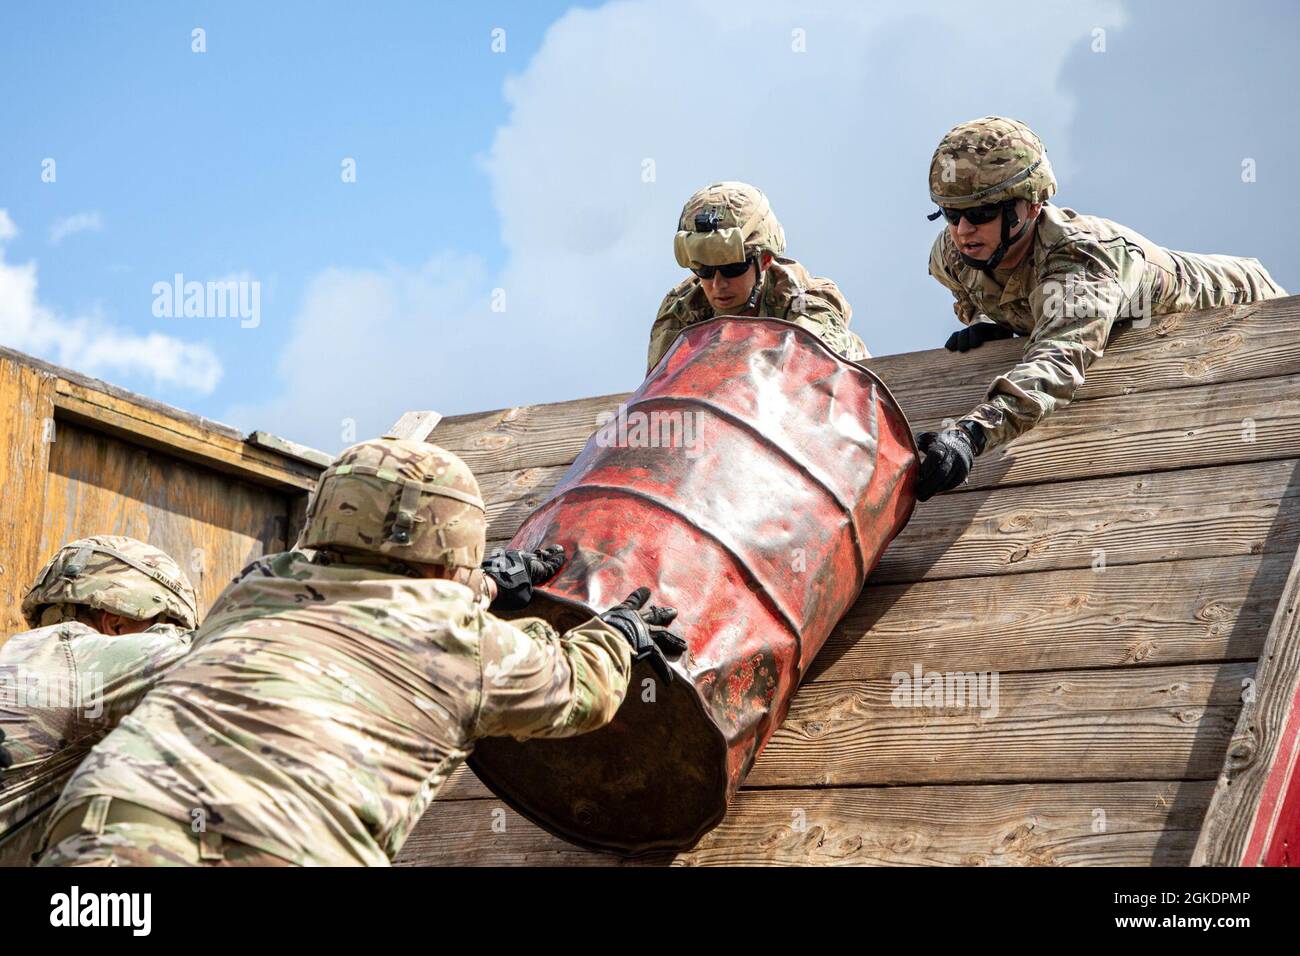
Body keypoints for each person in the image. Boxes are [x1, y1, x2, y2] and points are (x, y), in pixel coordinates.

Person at [39, 438, 683, 867]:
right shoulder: (465, 640)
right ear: (453, 543)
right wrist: (617, 635)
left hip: (97, 827)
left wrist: (484, 581)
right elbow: (581, 691)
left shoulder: (256, 587)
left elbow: (361, 600)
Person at [917, 116, 1287, 500]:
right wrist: (989, 320)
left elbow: (1059, 362)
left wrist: (971, 435)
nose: (962, 230)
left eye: (981, 214)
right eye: (951, 214)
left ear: (1029, 205)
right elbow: (972, 294)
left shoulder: (1081, 260)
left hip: (1246, 308)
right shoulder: (952, 257)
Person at [0, 536, 198, 865]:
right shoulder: (85, 658)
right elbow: (230, 652)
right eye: (164, 629)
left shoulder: (20, 657)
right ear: (116, 623)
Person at [648, 181, 868, 373]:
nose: (717, 284)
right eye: (703, 270)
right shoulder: (681, 313)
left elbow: (814, 378)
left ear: (764, 261)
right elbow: (662, 394)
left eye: (733, 268)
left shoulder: (803, 303)